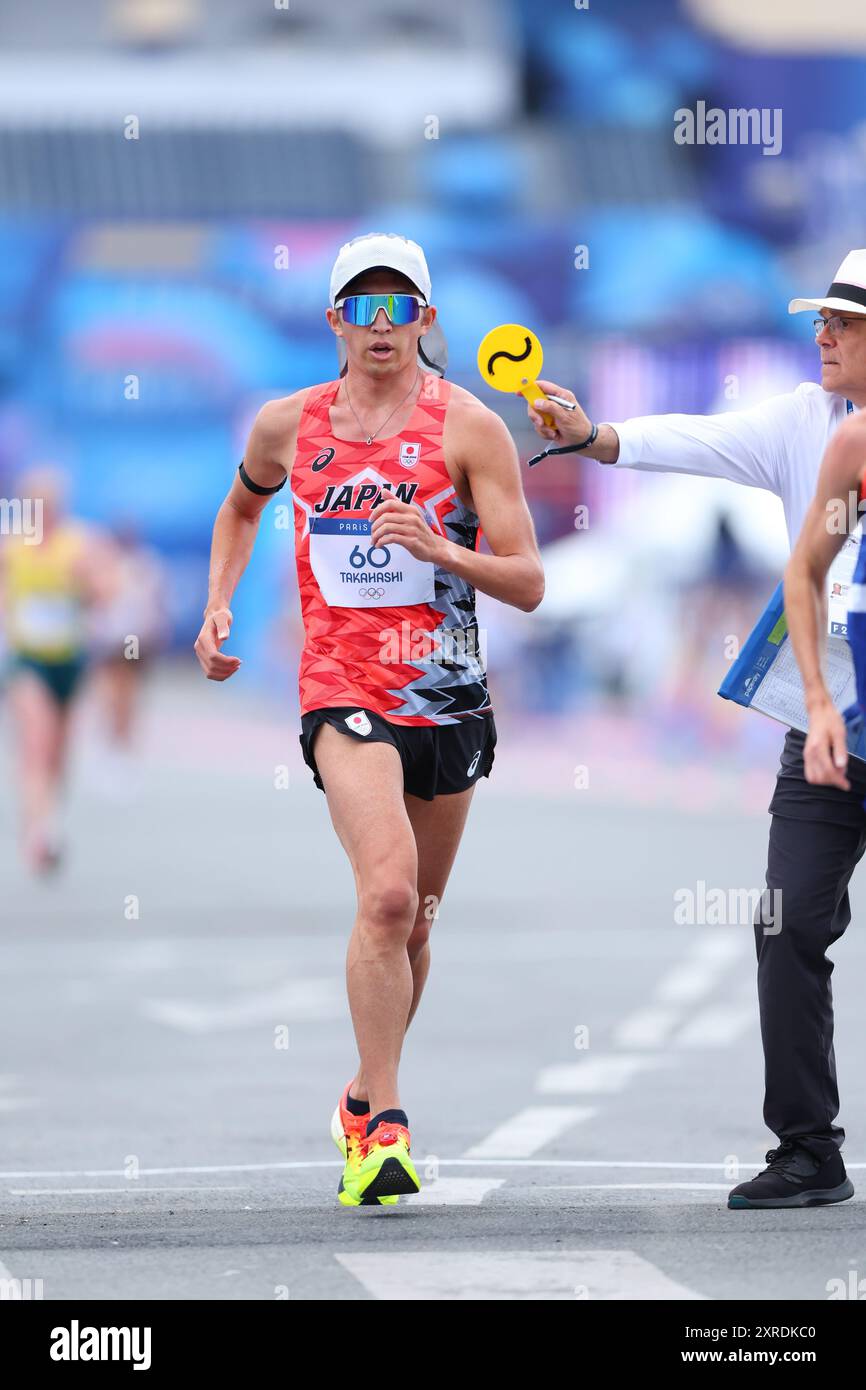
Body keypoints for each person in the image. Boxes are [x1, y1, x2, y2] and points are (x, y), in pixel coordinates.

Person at [195, 233, 544, 1205]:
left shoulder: (468, 430)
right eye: (362, 305)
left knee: (416, 924)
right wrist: (217, 603)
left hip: (445, 696)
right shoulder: (287, 425)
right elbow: (238, 509)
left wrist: (442, 549)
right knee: (386, 896)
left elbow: (526, 580)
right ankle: (384, 1124)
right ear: (334, 320)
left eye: (399, 307)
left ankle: (357, 1093)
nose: (380, 324)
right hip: (341, 689)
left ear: (426, 320)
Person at [525, 249, 866, 1209]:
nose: (822, 333)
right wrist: (595, 436)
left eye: (844, 320)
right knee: (787, 922)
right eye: (823, 316)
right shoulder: (815, 428)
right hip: (827, 725)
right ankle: (808, 1149)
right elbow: (699, 441)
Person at [1, 467, 115, 872]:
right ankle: (39, 833)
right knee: (37, 740)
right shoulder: (11, 549)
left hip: (69, 659)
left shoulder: (81, 544)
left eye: (52, 504)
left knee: (59, 753)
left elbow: (106, 596)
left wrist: (87, 585)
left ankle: (46, 816)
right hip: (28, 660)